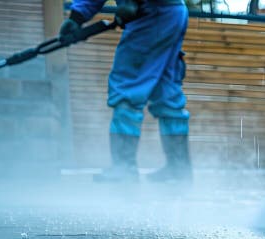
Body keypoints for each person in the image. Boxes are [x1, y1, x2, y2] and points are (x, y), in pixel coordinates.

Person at [60, 0, 192, 182]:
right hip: (172, 12)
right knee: (165, 88)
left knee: (128, 84)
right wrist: (77, 17)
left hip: (149, 14)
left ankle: (123, 168)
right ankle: (178, 170)